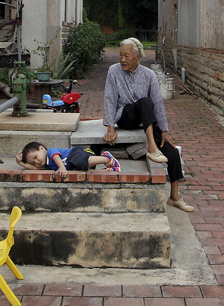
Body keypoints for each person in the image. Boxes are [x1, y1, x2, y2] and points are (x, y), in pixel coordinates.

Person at [103, 37, 193, 213]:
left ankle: (174, 197)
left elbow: (158, 104)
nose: (122, 60)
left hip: (146, 120)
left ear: (138, 56)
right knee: (144, 102)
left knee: (172, 151)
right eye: (121, 56)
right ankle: (152, 147)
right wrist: (110, 127)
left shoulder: (148, 75)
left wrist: (165, 131)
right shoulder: (113, 71)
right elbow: (110, 98)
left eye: (127, 56)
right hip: (126, 116)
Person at [16, 142, 120, 179]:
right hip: (82, 163)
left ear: (42, 149)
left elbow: (56, 157)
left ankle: (107, 158)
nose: (37, 162)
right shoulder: (47, 166)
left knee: (76, 160)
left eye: (35, 157)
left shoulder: (50, 152)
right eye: (34, 162)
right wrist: (21, 163)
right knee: (80, 171)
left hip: (79, 152)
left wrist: (61, 168)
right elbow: (35, 169)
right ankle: (107, 171)